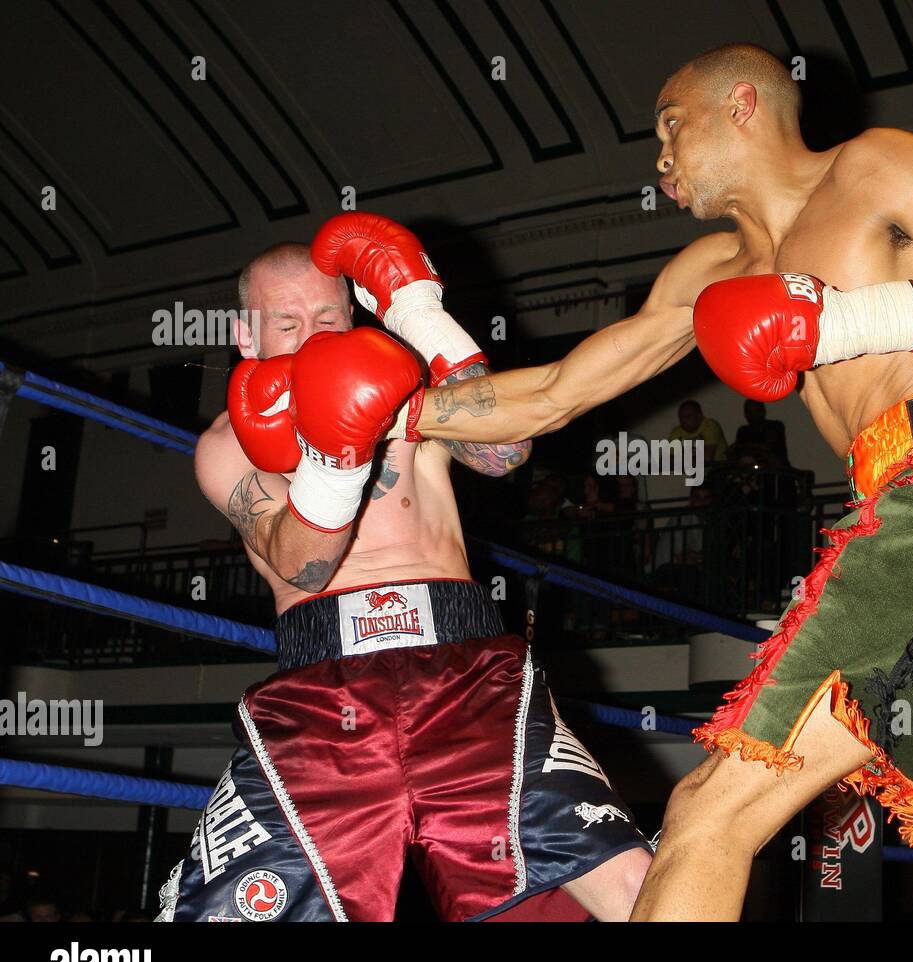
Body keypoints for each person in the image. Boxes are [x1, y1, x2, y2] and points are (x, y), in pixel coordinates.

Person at [345, 45, 913, 920]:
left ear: (742, 105)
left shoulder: (873, 168)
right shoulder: (709, 275)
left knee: (709, 812)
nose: (659, 158)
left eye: (672, 125)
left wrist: (835, 324)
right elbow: (554, 394)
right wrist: (390, 414)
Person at [161, 234, 651, 922]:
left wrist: (422, 317)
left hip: (468, 675)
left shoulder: (406, 392)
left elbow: (505, 452)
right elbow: (303, 563)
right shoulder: (227, 445)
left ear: (354, 318)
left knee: (632, 889)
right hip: (320, 699)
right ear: (247, 335)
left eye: (328, 319)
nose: (311, 338)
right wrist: (334, 457)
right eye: (287, 324)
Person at [734, 398, 788, 464]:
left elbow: (769, 447)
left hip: (776, 468)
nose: (753, 415)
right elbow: (739, 449)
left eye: (756, 411)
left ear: (763, 411)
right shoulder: (743, 431)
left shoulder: (774, 426)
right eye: (749, 412)